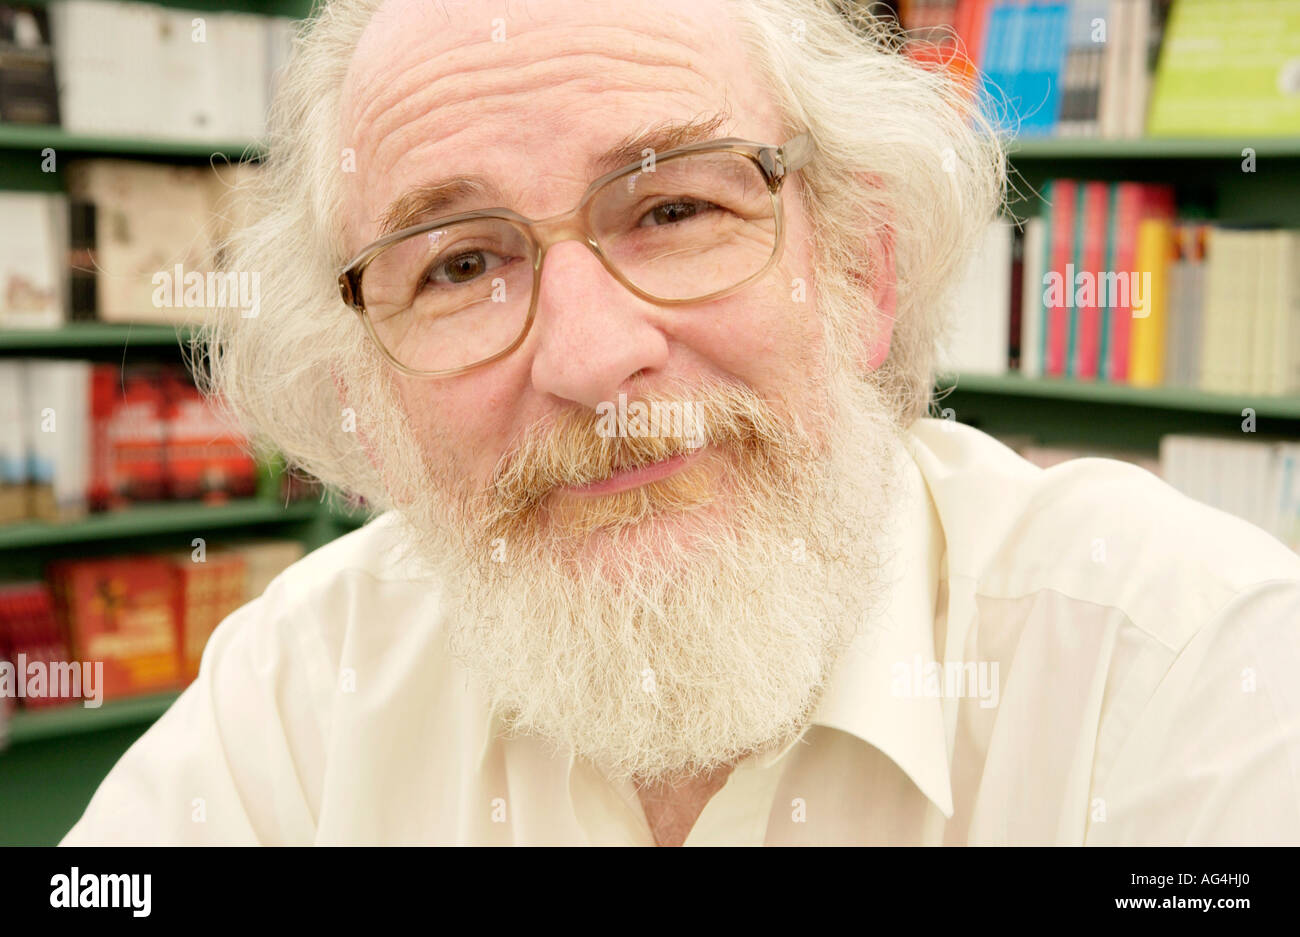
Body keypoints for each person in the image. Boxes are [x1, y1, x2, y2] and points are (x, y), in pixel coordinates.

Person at [63, 0, 1300, 846]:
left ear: (863, 271)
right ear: (368, 403)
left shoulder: (1188, 676)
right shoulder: (296, 688)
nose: (594, 356)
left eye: (675, 210)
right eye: (455, 265)